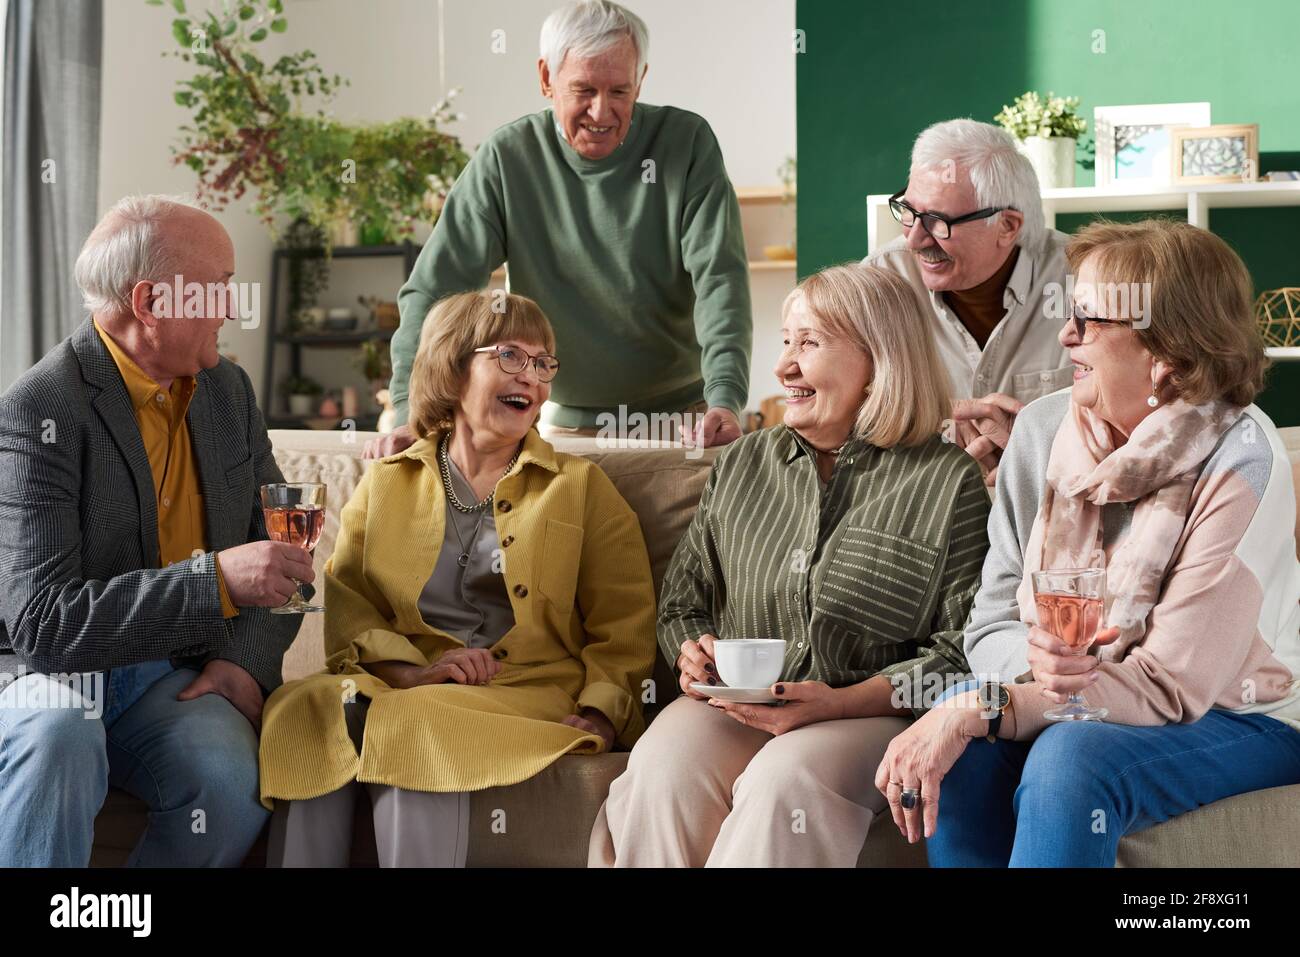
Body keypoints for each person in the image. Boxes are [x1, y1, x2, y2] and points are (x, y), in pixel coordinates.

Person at [874, 219, 1300, 867]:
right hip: (1078, 693)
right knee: (961, 743)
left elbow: (1167, 686)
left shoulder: (1240, 455)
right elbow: (990, 625)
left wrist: (998, 704)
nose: (1066, 334)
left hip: (1243, 712)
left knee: (1073, 756)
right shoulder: (1043, 430)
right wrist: (1022, 690)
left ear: (1169, 350)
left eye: (1091, 321)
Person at [589, 264, 991, 867]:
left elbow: (961, 650)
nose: (783, 368)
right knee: (662, 768)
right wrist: (691, 648)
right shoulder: (744, 462)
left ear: (878, 359)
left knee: (783, 783)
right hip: (735, 702)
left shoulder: (947, 480)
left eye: (809, 343)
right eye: (785, 342)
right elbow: (682, 604)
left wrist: (840, 701)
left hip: (866, 712)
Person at [260, 290, 658, 867]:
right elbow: (351, 608)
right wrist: (417, 672)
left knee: (413, 722)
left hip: (526, 690)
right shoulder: (388, 482)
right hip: (404, 685)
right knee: (311, 706)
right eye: (512, 356)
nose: (535, 377)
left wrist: (600, 710)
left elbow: (625, 622)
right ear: (453, 364)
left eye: (544, 363)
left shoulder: (579, 487)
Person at [0, 195, 309, 867]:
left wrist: (243, 660)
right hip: (50, 673)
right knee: (59, 735)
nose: (232, 308)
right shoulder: (39, 410)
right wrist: (216, 582)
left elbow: (287, 558)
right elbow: (44, 624)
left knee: (227, 781)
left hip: (173, 675)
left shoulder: (229, 391)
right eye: (219, 288)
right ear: (149, 301)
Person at [365, 0, 751, 460]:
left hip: (681, 421)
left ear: (641, 79)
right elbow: (434, 291)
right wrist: (413, 412)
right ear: (546, 78)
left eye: (620, 92)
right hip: (556, 421)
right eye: (583, 89)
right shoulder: (507, 159)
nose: (601, 112)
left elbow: (720, 278)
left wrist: (726, 397)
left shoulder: (686, 144)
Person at [865, 119, 1073, 485]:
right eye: (909, 212)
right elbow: (842, 405)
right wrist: (933, 418)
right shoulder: (881, 280)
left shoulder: (1085, 281)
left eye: (936, 221)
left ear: (1007, 226)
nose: (915, 239)